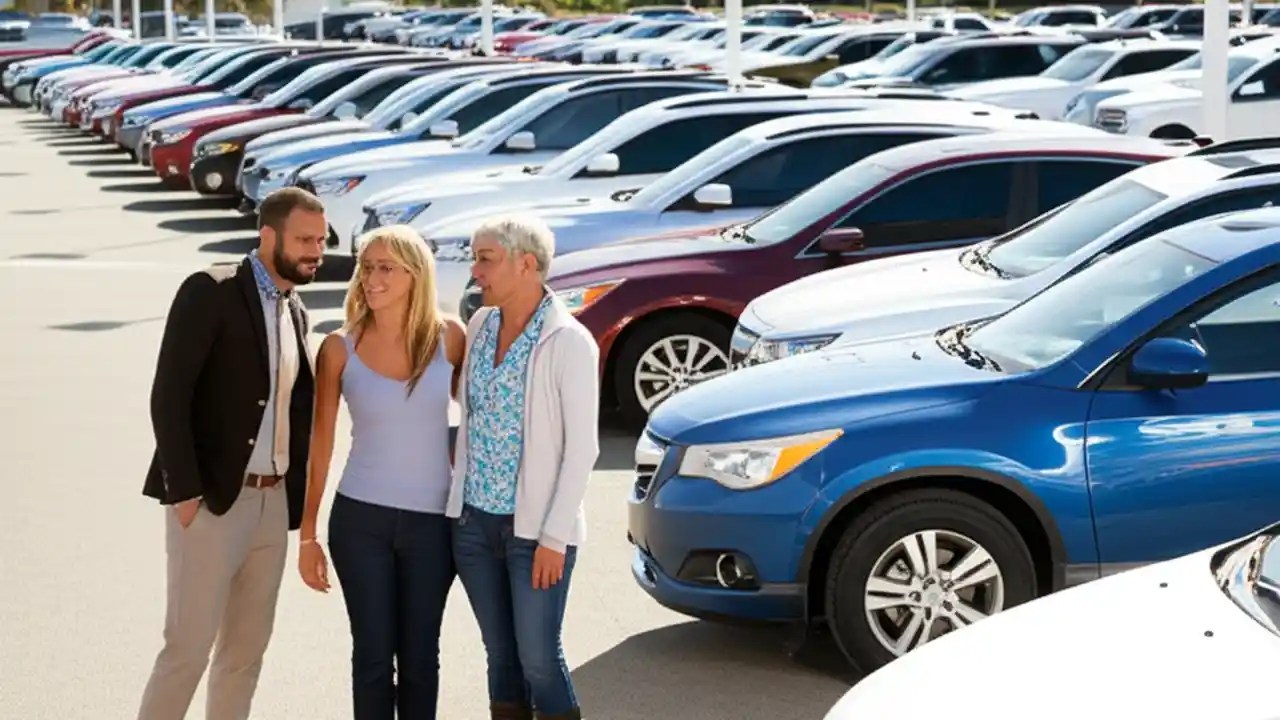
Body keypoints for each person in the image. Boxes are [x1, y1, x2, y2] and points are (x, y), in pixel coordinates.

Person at [137, 187, 327, 720]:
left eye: (320, 239)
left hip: (271, 510)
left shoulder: (296, 309)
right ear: (268, 236)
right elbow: (168, 395)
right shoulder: (211, 289)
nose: (317, 250)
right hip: (212, 502)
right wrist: (186, 492)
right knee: (186, 651)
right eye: (304, 239)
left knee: (244, 656)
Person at [297, 224, 466, 719]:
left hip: (433, 525)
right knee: (372, 657)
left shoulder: (451, 338)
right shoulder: (337, 348)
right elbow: (320, 445)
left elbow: (479, 425)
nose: (371, 278)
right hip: (360, 522)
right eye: (366, 267)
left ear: (416, 275)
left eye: (385, 268)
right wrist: (307, 536)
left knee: (419, 660)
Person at [446, 215, 600, 720]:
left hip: (535, 534)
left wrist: (554, 537)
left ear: (526, 263)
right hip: (473, 525)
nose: (475, 272)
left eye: (485, 260)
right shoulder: (480, 325)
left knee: (538, 659)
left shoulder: (569, 341)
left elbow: (583, 449)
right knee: (502, 659)